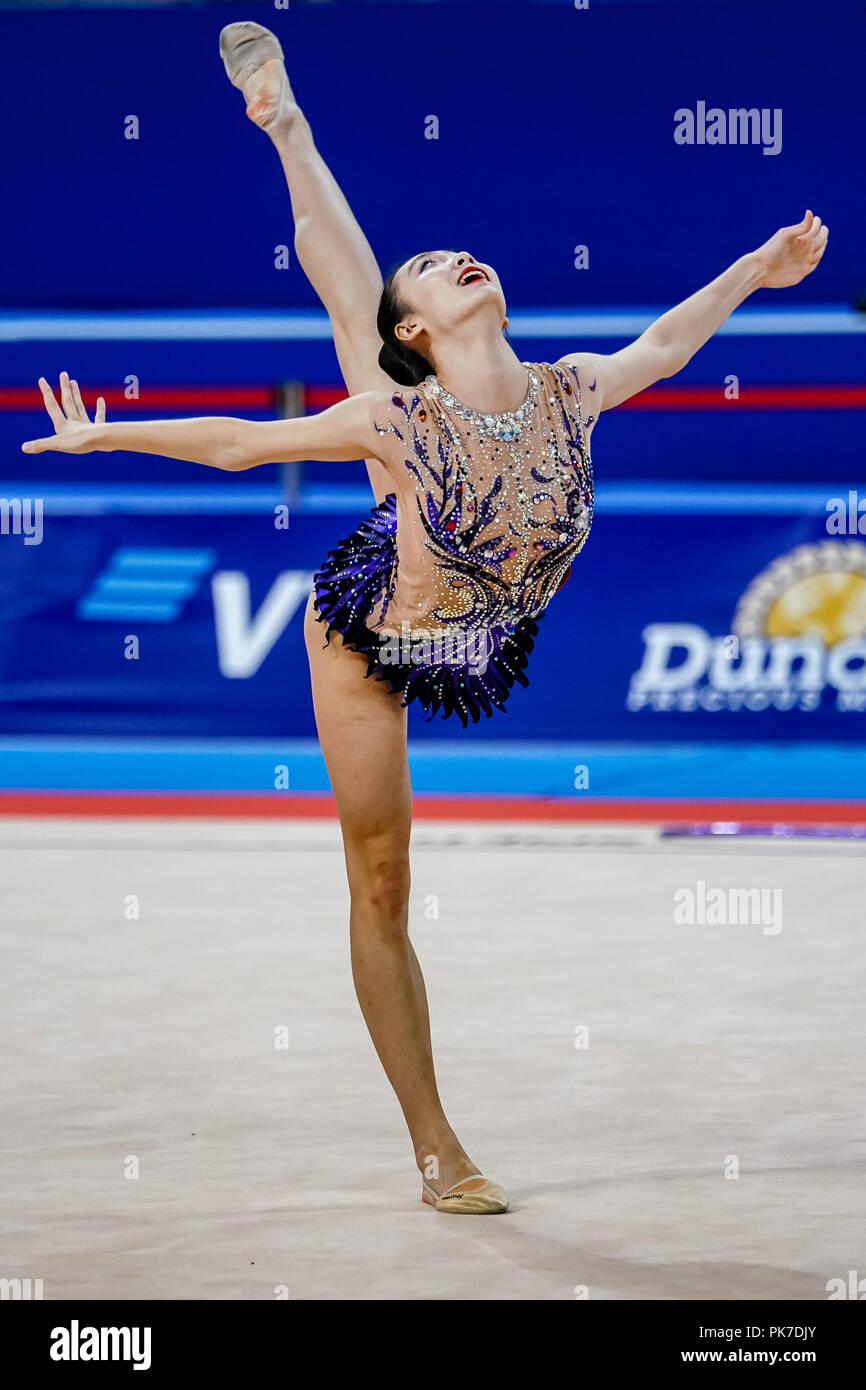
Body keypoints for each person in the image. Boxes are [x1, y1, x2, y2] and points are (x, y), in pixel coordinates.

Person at [22, 21, 828, 1214]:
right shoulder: (396, 418)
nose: (461, 256)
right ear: (424, 328)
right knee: (384, 879)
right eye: (436, 267)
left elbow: (666, 340)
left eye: (463, 251)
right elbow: (247, 445)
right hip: (374, 630)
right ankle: (435, 1146)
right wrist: (108, 433)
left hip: (473, 629)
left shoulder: (570, 388)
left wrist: (754, 271)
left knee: (356, 329)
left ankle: (290, 131)